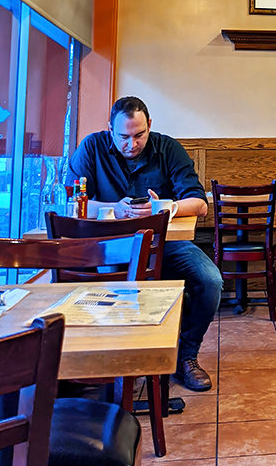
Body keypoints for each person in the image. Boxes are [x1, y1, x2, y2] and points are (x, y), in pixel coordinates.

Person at [66, 96, 222, 391]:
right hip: (110, 243)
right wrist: (113, 208)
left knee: (210, 280)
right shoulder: (92, 147)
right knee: (111, 287)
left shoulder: (167, 148)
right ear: (109, 128)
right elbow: (74, 202)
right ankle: (114, 360)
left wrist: (165, 207)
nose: (131, 144)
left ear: (149, 125)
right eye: (123, 136)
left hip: (164, 242)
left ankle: (185, 356)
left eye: (139, 135)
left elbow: (199, 204)